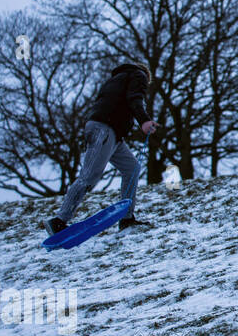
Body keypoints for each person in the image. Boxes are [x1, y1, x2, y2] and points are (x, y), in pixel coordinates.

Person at [46, 61, 157, 235]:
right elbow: (135, 98)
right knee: (89, 175)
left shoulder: (115, 80)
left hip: (111, 133)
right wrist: (144, 120)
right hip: (104, 130)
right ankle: (59, 220)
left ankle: (127, 218)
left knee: (132, 167)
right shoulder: (138, 75)